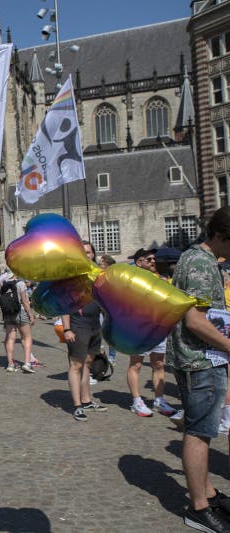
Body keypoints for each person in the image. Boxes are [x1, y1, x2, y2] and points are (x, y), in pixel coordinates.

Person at [167, 207, 230, 532]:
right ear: (220, 236)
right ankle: (199, 508)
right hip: (199, 360)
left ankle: (208, 492)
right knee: (199, 433)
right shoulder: (201, 264)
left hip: (205, 359)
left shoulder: (200, 260)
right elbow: (195, 321)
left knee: (203, 431)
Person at [125, 248, 177, 417]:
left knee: (159, 364)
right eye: (149, 259)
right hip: (139, 329)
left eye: (154, 259)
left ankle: (159, 400)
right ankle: (137, 401)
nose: (153, 261)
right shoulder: (131, 279)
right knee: (136, 364)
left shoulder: (160, 279)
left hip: (158, 327)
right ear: (139, 262)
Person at [62, 241, 108, 422]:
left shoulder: (98, 275)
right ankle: (77, 405)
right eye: (83, 252)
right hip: (77, 324)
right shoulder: (71, 277)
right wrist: (66, 328)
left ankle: (87, 399)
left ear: (93, 255)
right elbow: (64, 304)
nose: (86, 255)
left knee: (87, 364)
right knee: (76, 365)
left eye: (89, 252)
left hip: (95, 324)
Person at [0, 272, 36, 373]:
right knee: (26, 337)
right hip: (20, 312)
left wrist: (0, 296)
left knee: (10, 338)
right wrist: (31, 315)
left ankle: (10, 364)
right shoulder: (20, 284)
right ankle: (27, 363)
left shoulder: (4, 283)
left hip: (7, 314)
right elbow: (24, 301)